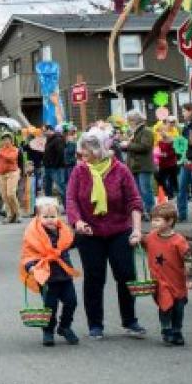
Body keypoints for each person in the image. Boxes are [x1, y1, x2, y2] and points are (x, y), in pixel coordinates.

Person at [65, 129, 146, 341]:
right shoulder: (79, 171)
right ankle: (95, 324)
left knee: (126, 274)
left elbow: (134, 202)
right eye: (81, 149)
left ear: (99, 149)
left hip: (119, 230)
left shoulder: (121, 170)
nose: (82, 153)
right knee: (94, 278)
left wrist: (137, 230)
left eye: (87, 149)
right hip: (89, 232)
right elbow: (71, 200)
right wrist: (78, 221)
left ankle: (130, 320)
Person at [19, 197, 80, 347]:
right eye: (45, 217)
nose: (49, 220)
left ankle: (65, 326)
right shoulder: (33, 234)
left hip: (64, 274)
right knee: (49, 306)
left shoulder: (64, 231)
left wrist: (81, 234)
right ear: (38, 217)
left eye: (53, 216)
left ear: (58, 216)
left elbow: (71, 243)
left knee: (71, 301)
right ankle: (48, 330)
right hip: (46, 276)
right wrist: (31, 266)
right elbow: (28, 254)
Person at [141, 202, 192, 346]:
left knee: (178, 308)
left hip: (177, 282)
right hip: (160, 282)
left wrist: (190, 278)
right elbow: (141, 241)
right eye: (153, 219)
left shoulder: (179, 240)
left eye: (157, 219)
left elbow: (188, 259)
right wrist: (135, 239)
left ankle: (177, 330)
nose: (153, 222)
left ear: (170, 221)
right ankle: (166, 330)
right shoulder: (150, 237)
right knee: (165, 306)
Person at [122, 110, 156, 215]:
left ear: (134, 120)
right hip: (135, 166)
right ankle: (141, 211)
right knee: (137, 191)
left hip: (144, 166)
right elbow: (133, 147)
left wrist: (128, 145)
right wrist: (124, 146)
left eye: (129, 120)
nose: (128, 123)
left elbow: (145, 147)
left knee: (146, 190)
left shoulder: (146, 131)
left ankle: (151, 211)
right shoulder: (135, 132)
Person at [0, 133, 21, 223]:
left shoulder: (15, 149)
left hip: (12, 173)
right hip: (1, 174)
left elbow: (11, 158)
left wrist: (0, 153)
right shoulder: (0, 150)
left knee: (11, 194)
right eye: (3, 139)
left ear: (11, 140)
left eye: (7, 139)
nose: (5, 141)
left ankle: (17, 214)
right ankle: (10, 215)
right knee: (4, 196)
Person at [155, 125, 179, 201]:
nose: (161, 133)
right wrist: (158, 155)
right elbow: (158, 151)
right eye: (160, 131)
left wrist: (166, 154)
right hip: (163, 164)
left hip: (171, 163)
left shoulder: (172, 140)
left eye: (163, 131)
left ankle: (176, 194)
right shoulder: (160, 142)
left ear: (167, 131)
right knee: (159, 178)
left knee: (173, 180)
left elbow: (175, 151)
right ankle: (167, 193)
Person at [42, 126, 67, 198]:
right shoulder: (48, 139)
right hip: (48, 167)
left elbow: (61, 153)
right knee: (47, 187)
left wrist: (55, 165)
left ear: (50, 130)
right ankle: (48, 203)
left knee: (60, 187)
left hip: (56, 168)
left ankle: (67, 205)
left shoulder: (58, 139)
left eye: (45, 131)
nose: (44, 133)